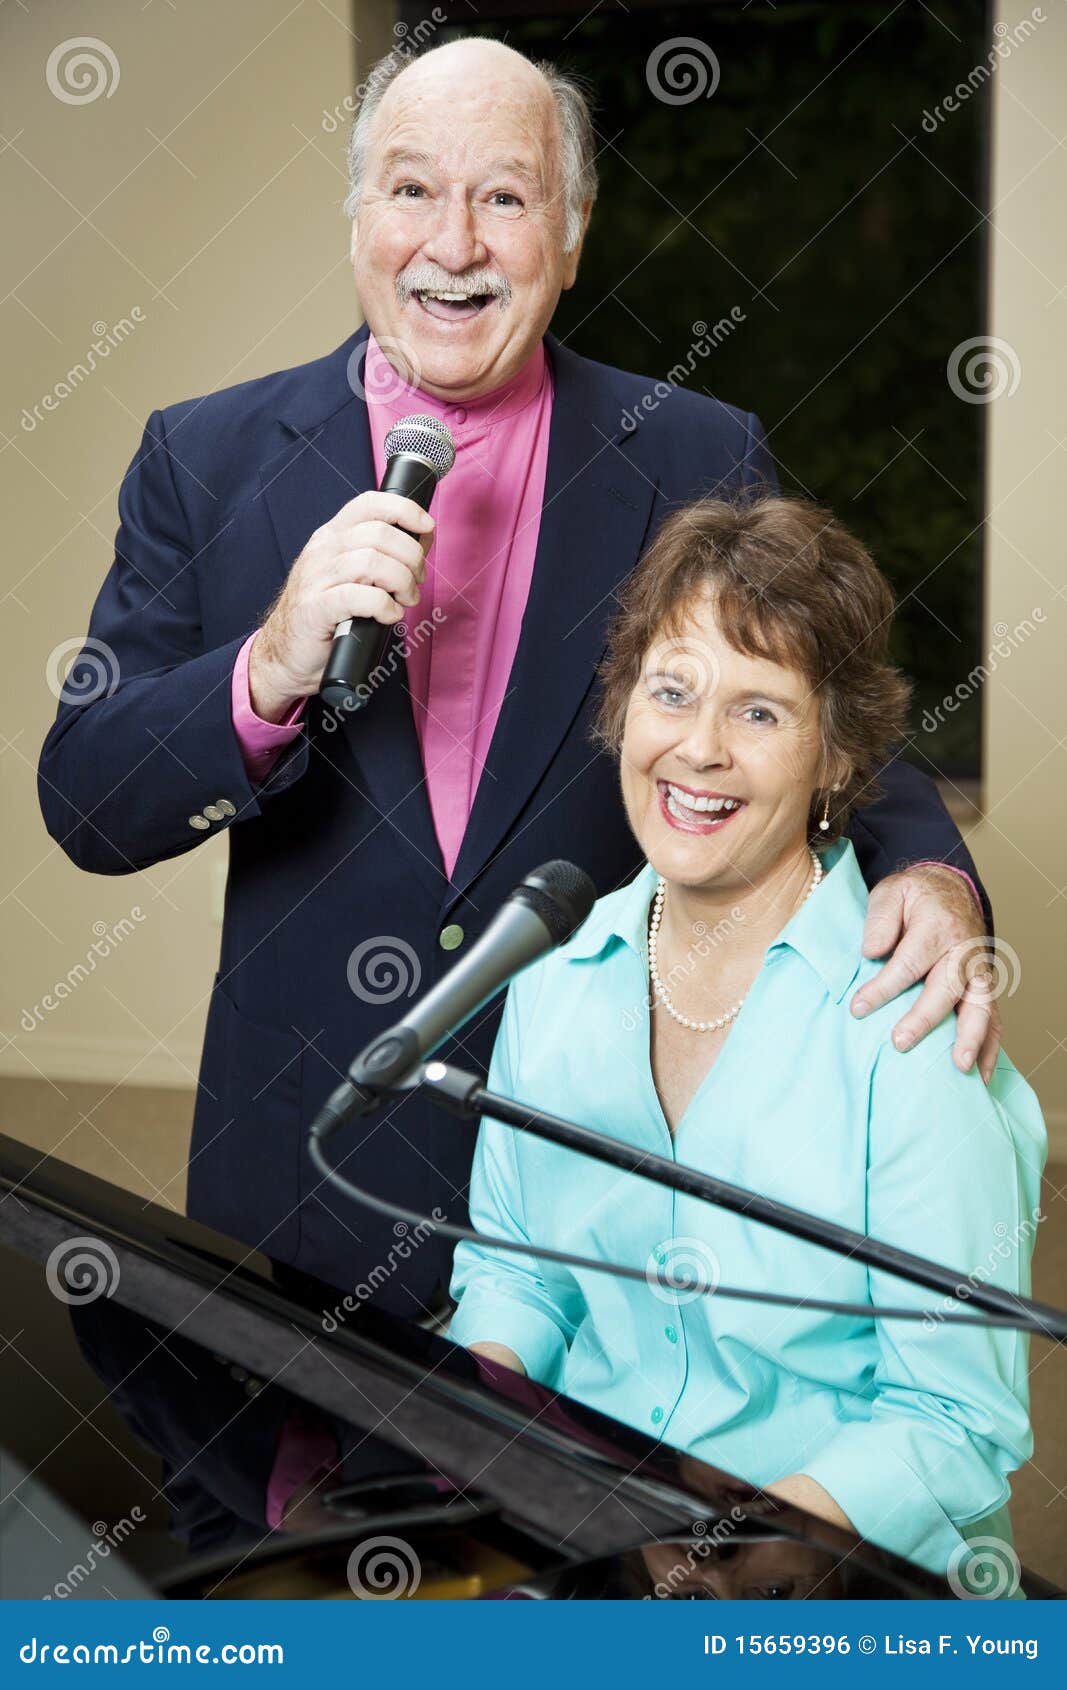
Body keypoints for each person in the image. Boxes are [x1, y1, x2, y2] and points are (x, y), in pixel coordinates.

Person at [37, 38, 996, 1537]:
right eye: (411, 190)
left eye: (505, 197)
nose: (455, 242)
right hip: (304, 1190)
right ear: (359, 214)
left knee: (584, 1587)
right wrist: (266, 665)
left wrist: (932, 872)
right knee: (290, 1601)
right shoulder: (205, 459)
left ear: (571, 231)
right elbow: (89, 800)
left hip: (593, 1221)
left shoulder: (692, 450)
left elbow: (812, 709)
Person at [449, 495, 1046, 1580]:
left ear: (836, 755)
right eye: (670, 692)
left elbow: (950, 1417)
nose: (699, 749)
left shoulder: (911, 1024)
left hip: (841, 1585)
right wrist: (460, 1456)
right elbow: (518, 1276)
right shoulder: (553, 974)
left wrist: (723, 1564)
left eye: (759, 712)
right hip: (595, 1555)